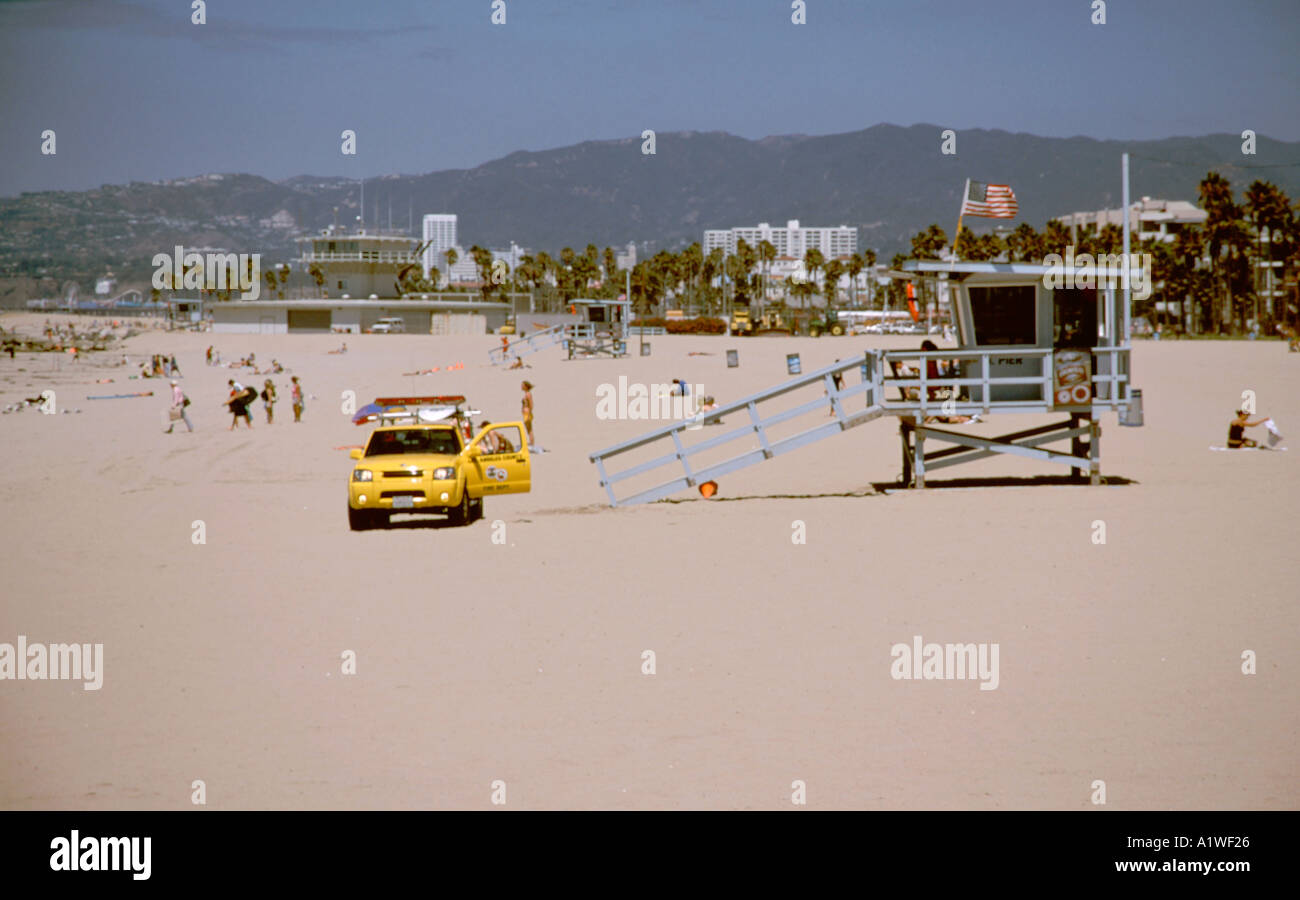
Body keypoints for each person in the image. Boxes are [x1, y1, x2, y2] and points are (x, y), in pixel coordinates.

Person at [521, 381, 536, 450]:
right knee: (527, 428)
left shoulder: (528, 394)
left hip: (527, 413)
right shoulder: (526, 394)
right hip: (525, 412)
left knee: (529, 428)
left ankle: (532, 443)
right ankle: (531, 442)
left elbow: (531, 404)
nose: (521, 386)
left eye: (522, 385)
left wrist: (529, 413)